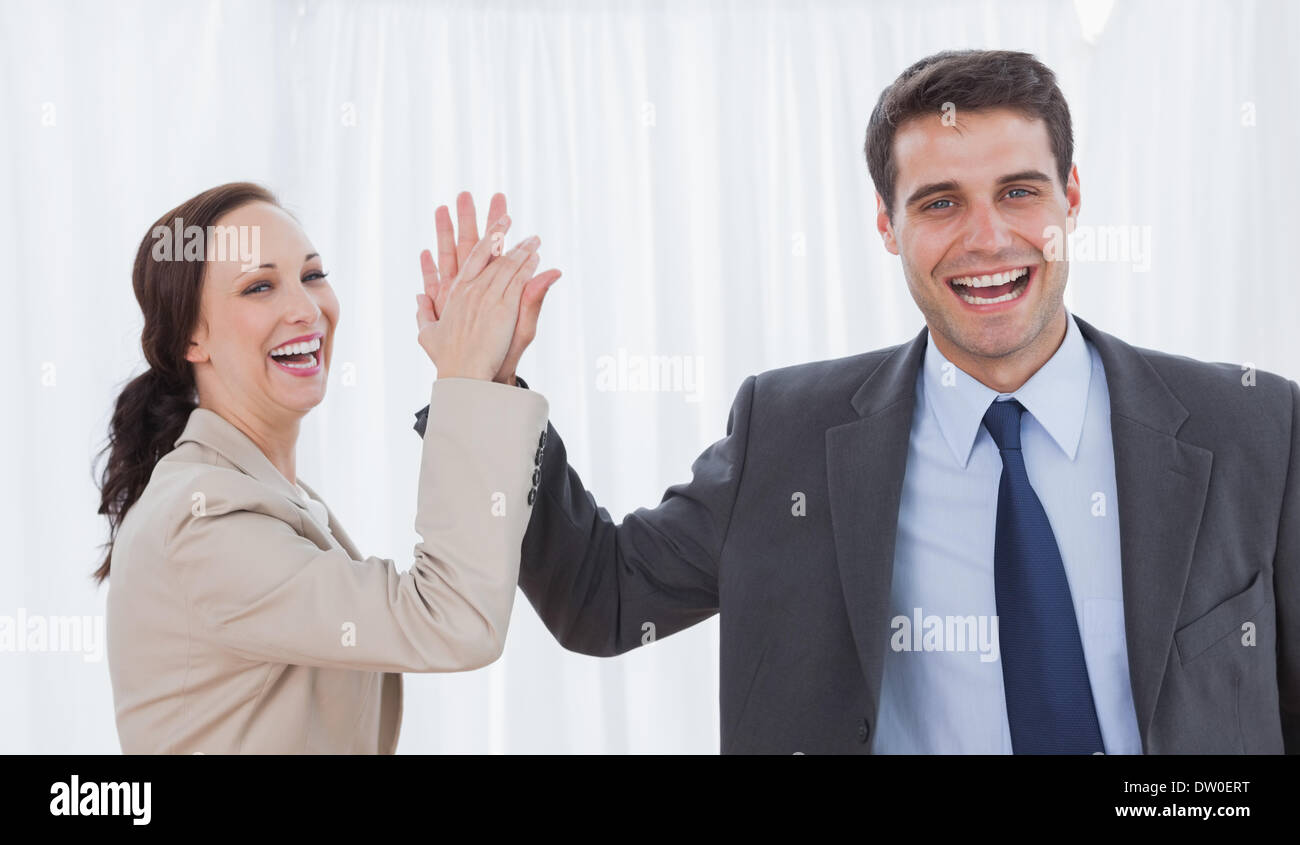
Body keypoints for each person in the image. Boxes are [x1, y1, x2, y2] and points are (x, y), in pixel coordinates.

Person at [417, 50, 1299, 754]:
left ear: (1073, 197)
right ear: (886, 225)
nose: (987, 237)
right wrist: (482, 395)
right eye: (940, 202)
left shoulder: (1255, 426)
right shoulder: (790, 434)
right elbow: (603, 598)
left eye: (1020, 192)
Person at [97, 181, 557, 753]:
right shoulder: (204, 519)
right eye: (259, 286)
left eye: (312, 275)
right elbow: (453, 620)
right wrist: (463, 385)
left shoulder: (263, 492)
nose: (304, 308)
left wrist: (489, 377)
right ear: (192, 335)